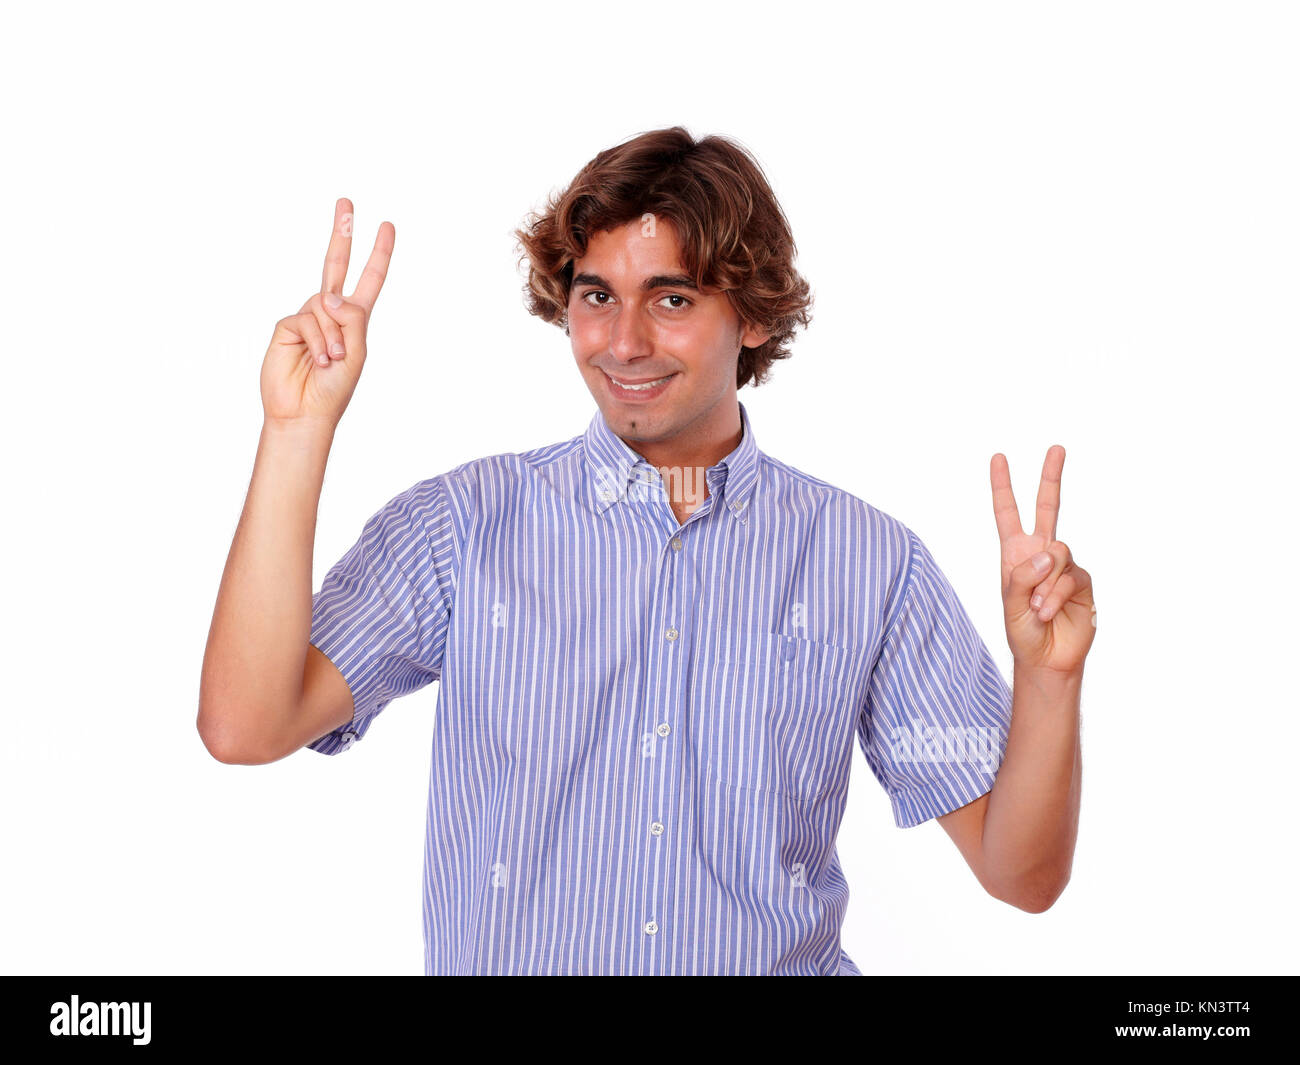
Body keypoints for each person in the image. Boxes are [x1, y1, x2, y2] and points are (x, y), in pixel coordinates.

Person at [198, 126, 1096, 976]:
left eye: (671, 298)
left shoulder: (870, 564)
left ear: (751, 315)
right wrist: (296, 427)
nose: (623, 342)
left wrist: (1048, 681)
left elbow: (1021, 874)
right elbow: (246, 725)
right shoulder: (463, 527)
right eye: (597, 296)